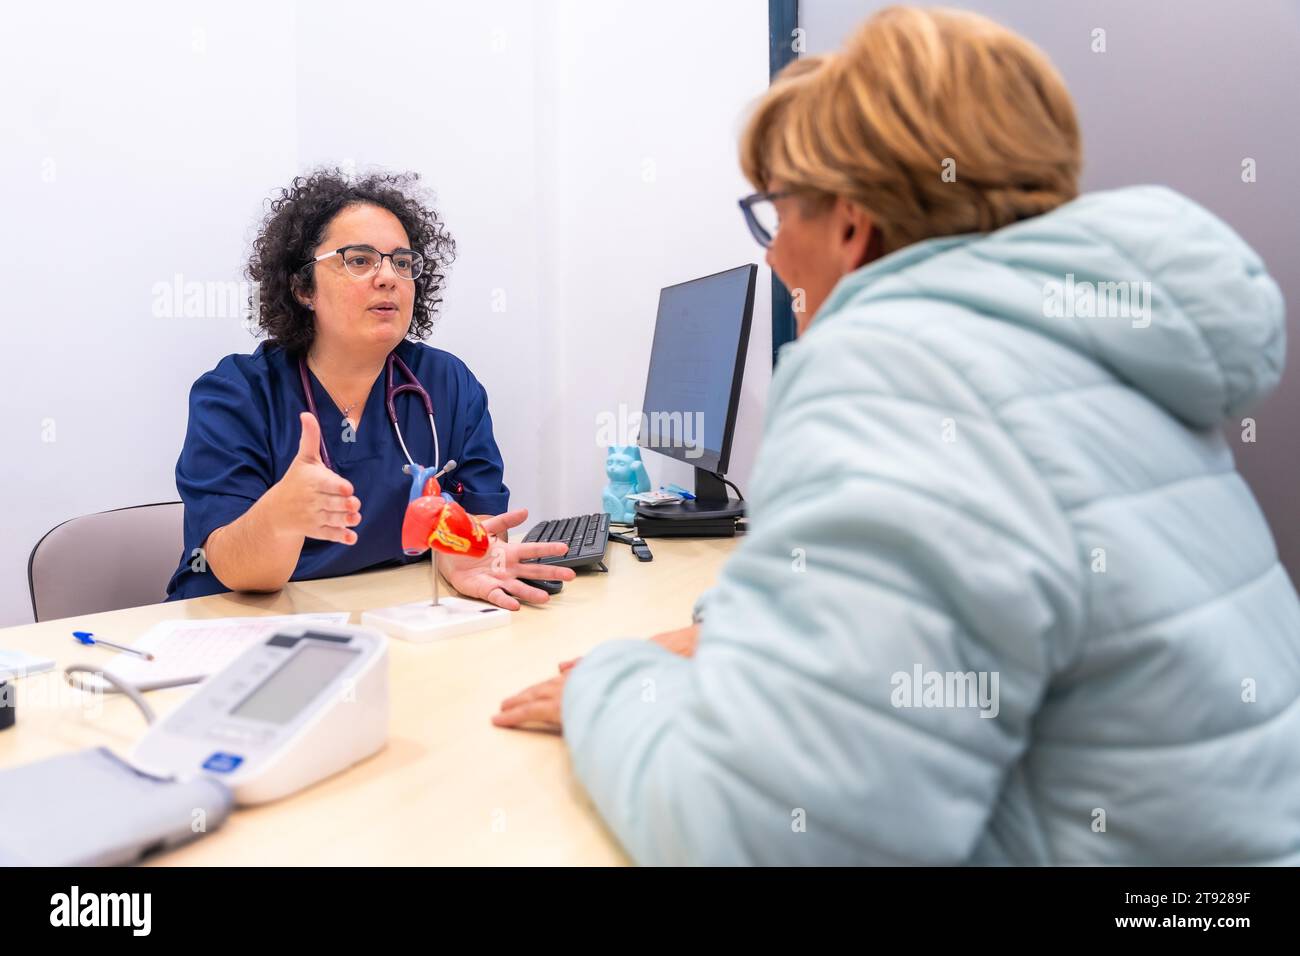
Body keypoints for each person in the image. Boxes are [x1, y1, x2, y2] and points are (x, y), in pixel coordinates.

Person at [494, 6, 1300, 864]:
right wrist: (746, 629)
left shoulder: (898, 380)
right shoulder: (1091, 360)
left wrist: (615, 683)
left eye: (777, 214)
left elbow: (771, 838)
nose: (772, 257)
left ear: (849, 221)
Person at [166, 168, 573, 605]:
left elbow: (484, 526)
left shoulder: (448, 385)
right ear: (303, 286)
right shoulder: (237, 394)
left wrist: (461, 553)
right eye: (359, 260)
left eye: (402, 262)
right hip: (241, 629)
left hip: (396, 620)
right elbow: (236, 571)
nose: (388, 277)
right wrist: (280, 517)